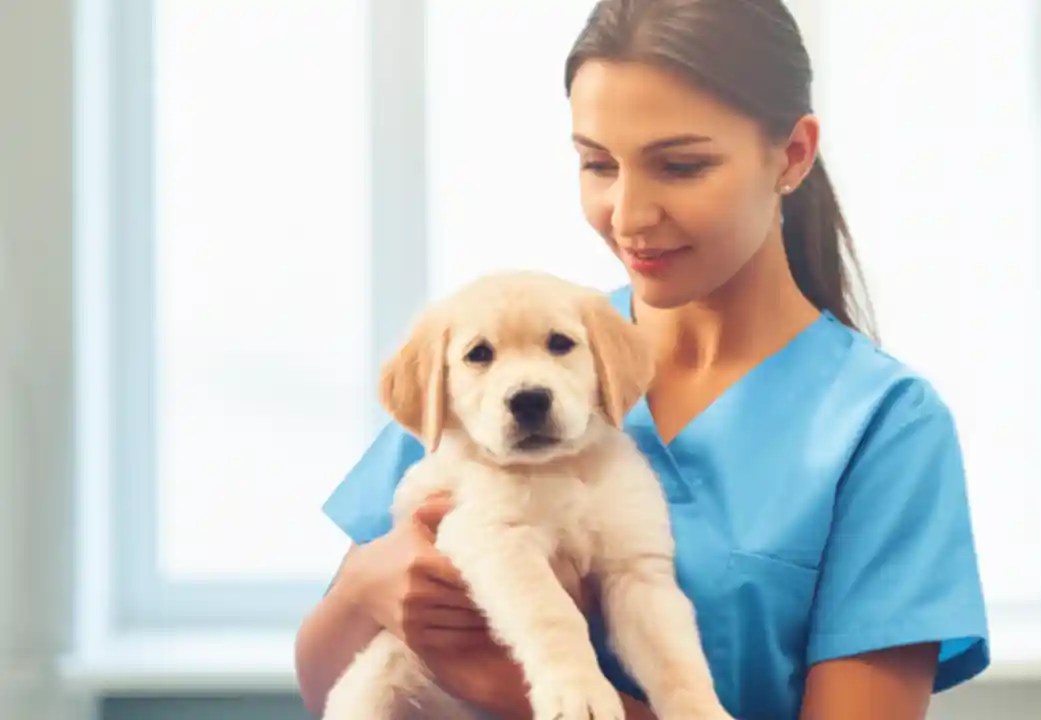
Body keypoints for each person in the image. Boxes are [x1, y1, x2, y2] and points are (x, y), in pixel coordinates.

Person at [294, 0, 990, 717]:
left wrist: (508, 684)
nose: (627, 215)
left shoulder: (882, 426)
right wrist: (362, 586)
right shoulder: (494, 361)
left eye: (681, 166)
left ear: (791, 155)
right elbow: (325, 684)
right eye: (597, 164)